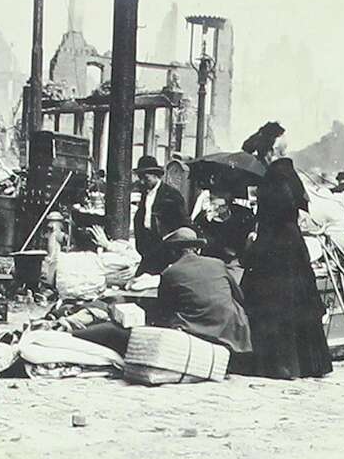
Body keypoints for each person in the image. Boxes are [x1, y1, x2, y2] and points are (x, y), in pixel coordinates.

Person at [241, 157, 333, 380]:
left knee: (272, 306)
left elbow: (263, 220)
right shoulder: (292, 202)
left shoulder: (269, 199)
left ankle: (278, 365)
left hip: (271, 251)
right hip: (294, 251)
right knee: (299, 306)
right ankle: (309, 364)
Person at [157, 228, 252, 361]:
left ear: (173, 251)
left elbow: (164, 309)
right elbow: (239, 296)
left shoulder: (170, 273)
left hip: (196, 330)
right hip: (229, 329)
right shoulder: (218, 263)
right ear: (198, 249)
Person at [132, 155, 188, 275]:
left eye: (146, 178)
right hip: (148, 245)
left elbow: (181, 222)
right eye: (140, 177)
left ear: (155, 175)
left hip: (165, 246)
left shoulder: (171, 195)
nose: (142, 181)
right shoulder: (145, 192)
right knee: (141, 278)